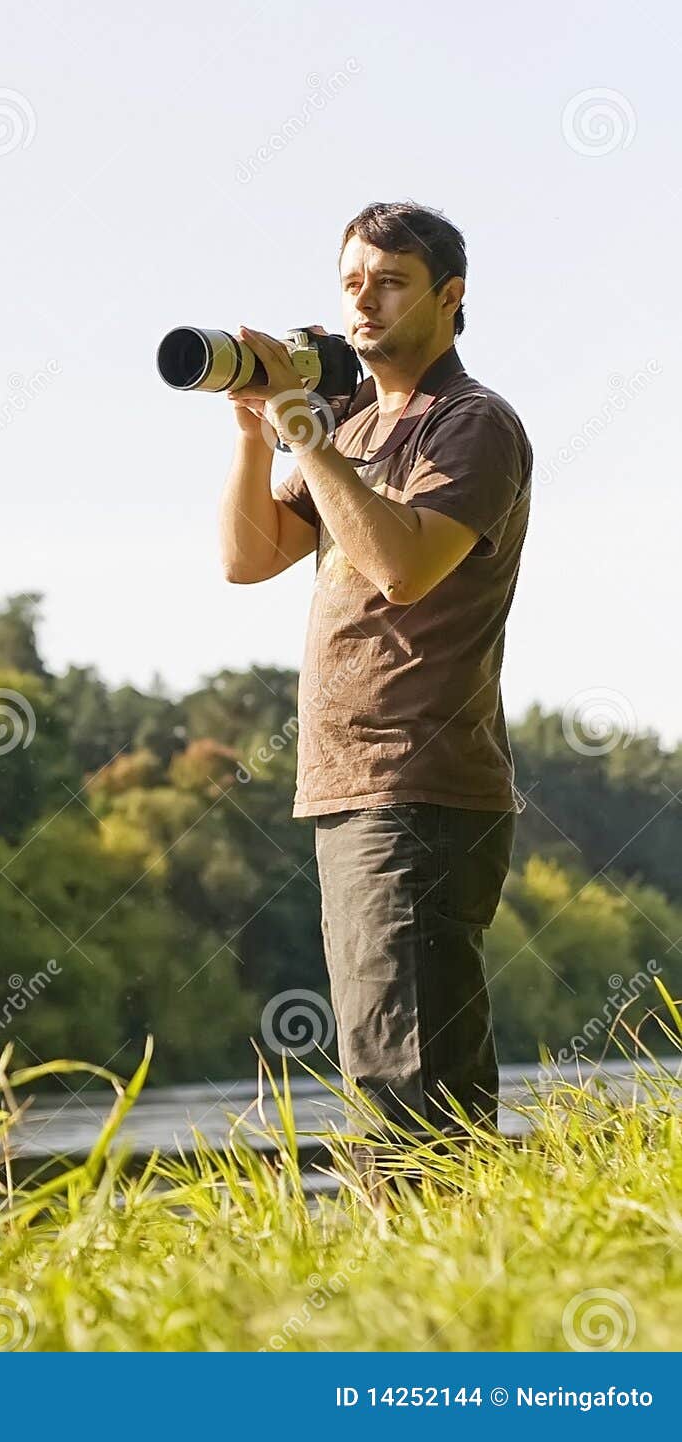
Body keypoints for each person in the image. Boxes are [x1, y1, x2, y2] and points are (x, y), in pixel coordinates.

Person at [218, 199, 533, 1202]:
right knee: (387, 1056)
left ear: (449, 299)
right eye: (350, 280)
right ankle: (450, 1290)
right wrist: (249, 435)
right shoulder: (352, 426)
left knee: (405, 1076)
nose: (361, 299)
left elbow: (401, 564)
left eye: (388, 280)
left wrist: (304, 432)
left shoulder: (470, 424)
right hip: (349, 783)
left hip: (417, 781)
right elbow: (244, 557)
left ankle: (427, 1314)